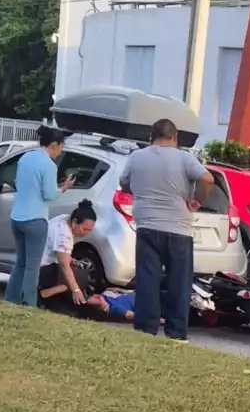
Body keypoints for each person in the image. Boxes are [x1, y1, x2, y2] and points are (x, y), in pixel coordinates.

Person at [119, 118, 214, 342]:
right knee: (178, 283)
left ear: (151, 137)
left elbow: (124, 183)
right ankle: (176, 334)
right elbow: (207, 179)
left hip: (147, 226)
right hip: (178, 229)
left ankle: (146, 330)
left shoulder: (136, 157)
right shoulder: (183, 158)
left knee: (147, 280)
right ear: (175, 137)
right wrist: (197, 200)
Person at [4, 126, 75, 308]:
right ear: (54, 145)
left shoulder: (26, 158)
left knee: (21, 261)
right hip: (35, 219)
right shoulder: (49, 165)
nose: (62, 150)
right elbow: (49, 195)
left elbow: (21, 184)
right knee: (32, 266)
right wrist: (64, 187)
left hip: (17, 216)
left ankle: (11, 298)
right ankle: (29, 302)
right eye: (61, 146)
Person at [38, 199, 97, 313]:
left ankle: (52, 295)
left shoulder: (64, 218)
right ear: (75, 222)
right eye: (84, 229)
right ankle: (43, 295)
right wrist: (76, 290)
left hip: (41, 262)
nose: (86, 233)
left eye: (90, 230)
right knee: (81, 276)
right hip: (43, 268)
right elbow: (64, 265)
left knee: (75, 271)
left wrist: (72, 260)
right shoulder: (64, 236)